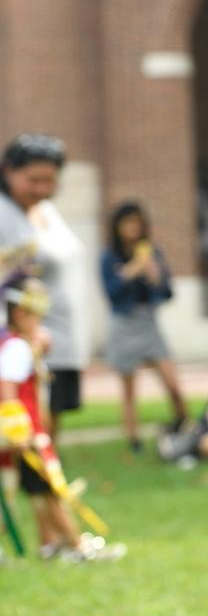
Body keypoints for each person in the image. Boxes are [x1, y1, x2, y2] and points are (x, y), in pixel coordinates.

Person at [0, 275, 123, 562]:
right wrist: (17, 430)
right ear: (20, 314)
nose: (41, 324)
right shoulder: (17, 347)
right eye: (37, 317)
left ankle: (50, 542)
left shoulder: (18, 344)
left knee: (36, 489)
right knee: (52, 488)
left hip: (24, 431)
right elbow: (7, 390)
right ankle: (76, 545)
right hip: (25, 432)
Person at [0, 134, 89, 438]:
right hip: (23, 341)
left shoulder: (46, 210)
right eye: (32, 179)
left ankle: (47, 484)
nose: (41, 189)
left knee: (48, 430)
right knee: (23, 429)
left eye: (49, 180)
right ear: (7, 170)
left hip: (59, 339)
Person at [100, 201, 189, 452]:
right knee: (128, 388)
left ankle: (185, 425)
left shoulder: (152, 252)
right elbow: (111, 293)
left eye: (136, 223)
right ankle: (133, 440)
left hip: (148, 322)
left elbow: (167, 292)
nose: (132, 228)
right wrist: (130, 271)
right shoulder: (109, 256)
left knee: (172, 382)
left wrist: (154, 276)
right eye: (127, 223)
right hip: (123, 323)